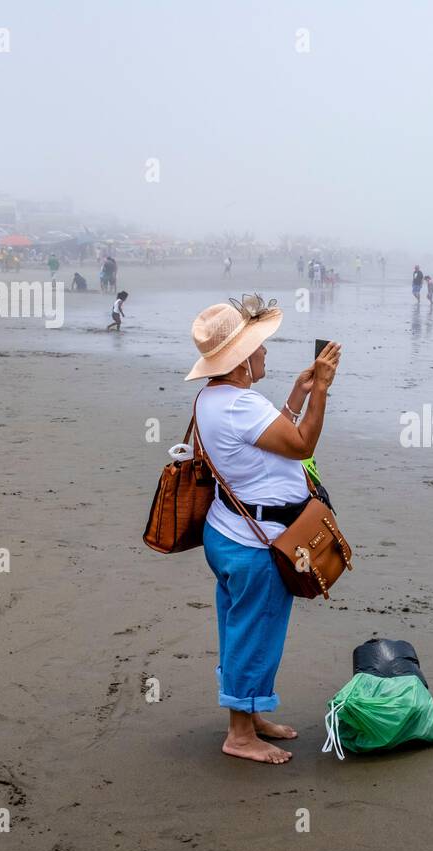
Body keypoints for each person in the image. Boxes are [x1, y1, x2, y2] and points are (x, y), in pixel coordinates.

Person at [186, 295, 342, 764]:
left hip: (226, 530)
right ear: (241, 361)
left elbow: (263, 443)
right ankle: (239, 734)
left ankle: (250, 713)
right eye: (259, 347)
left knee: (239, 623)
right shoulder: (241, 405)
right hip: (256, 542)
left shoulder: (214, 398)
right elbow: (299, 444)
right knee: (257, 628)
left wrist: (295, 397)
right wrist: (321, 392)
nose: (265, 352)